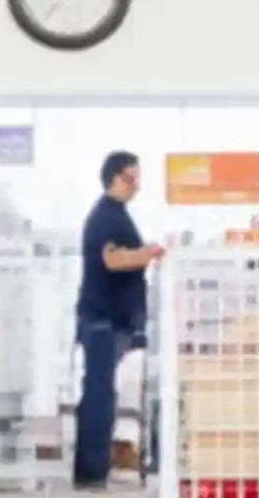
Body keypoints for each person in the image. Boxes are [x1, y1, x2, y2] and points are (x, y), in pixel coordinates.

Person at [74, 151, 165, 489]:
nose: (136, 186)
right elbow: (112, 259)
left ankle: (95, 470)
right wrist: (148, 254)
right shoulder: (106, 217)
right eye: (130, 178)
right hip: (101, 322)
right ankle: (91, 473)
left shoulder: (116, 215)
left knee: (101, 395)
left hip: (111, 322)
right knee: (99, 396)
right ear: (112, 177)